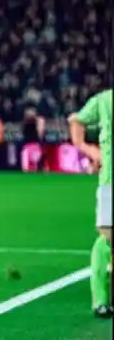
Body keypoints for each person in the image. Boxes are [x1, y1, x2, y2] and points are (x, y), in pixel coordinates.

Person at [68, 89, 112, 318]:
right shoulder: (105, 100)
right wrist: (85, 147)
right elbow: (77, 119)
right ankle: (100, 300)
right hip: (110, 180)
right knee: (107, 237)